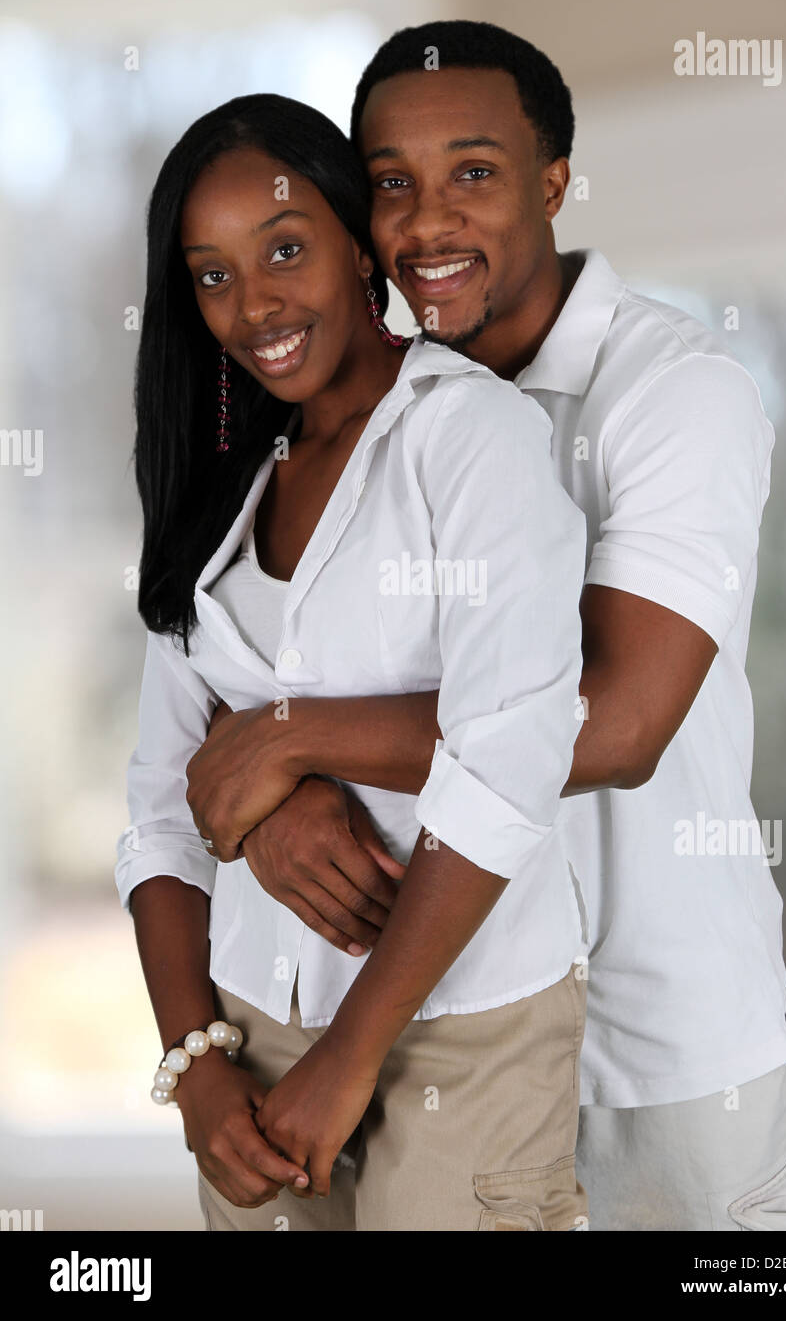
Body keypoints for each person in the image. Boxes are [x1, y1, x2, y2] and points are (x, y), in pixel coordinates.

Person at [187, 24, 786, 1231]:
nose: (427, 224)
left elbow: (622, 720)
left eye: (472, 174)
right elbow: (247, 655)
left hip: (656, 1060)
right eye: (389, 184)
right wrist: (277, 781)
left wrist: (288, 745)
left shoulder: (674, 391)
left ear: (549, 183)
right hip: (449, 1030)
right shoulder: (348, 411)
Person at [116, 92, 592, 1232]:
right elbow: (162, 811)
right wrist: (194, 1066)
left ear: (352, 239)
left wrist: (350, 1054)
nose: (254, 306)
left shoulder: (467, 438)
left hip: (460, 1033)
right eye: (213, 274)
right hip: (250, 1031)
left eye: (284, 250)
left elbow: (509, 748)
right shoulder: (219, 479)